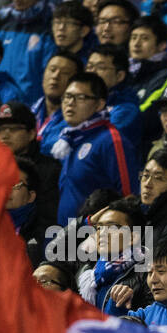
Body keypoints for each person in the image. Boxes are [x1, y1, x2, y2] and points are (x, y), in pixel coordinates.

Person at [52, 71, 137, 223]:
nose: (70, 103)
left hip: (96, 240)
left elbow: (129, 199)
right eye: (67, 96)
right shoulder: (70, 139)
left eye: (80, 97)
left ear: (99, 104)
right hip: (66, 239)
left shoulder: (111, 141)